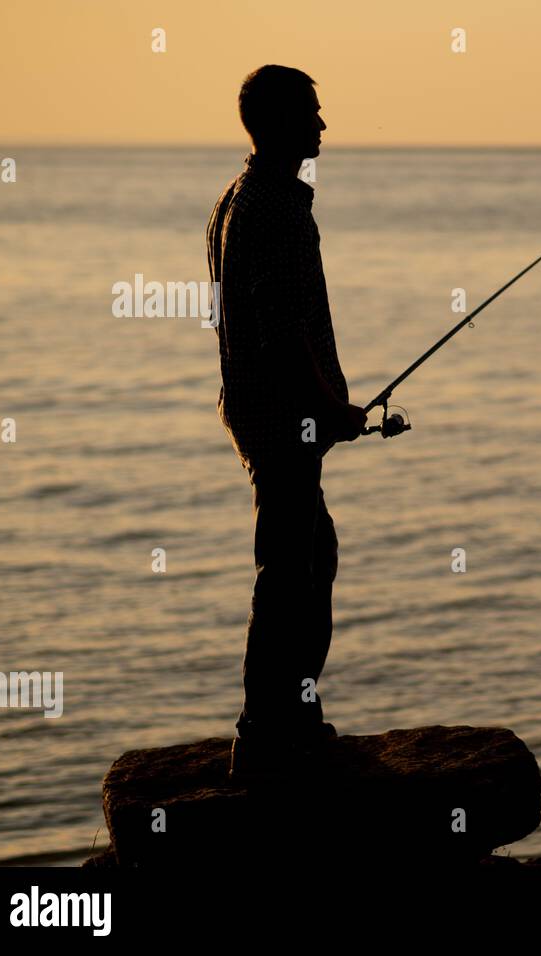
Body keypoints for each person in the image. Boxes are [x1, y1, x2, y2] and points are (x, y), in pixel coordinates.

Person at [205, 65, 368, 778]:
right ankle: (266, 732)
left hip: (269, 416)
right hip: (281, 422)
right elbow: (281, 330)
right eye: (312, 113)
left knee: (309, 560)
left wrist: (329, 408)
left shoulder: (240, 200)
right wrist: (330, 408)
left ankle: (290, 715)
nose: (323, 126)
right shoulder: (271, 208)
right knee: (288, 572)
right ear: (277, 123)